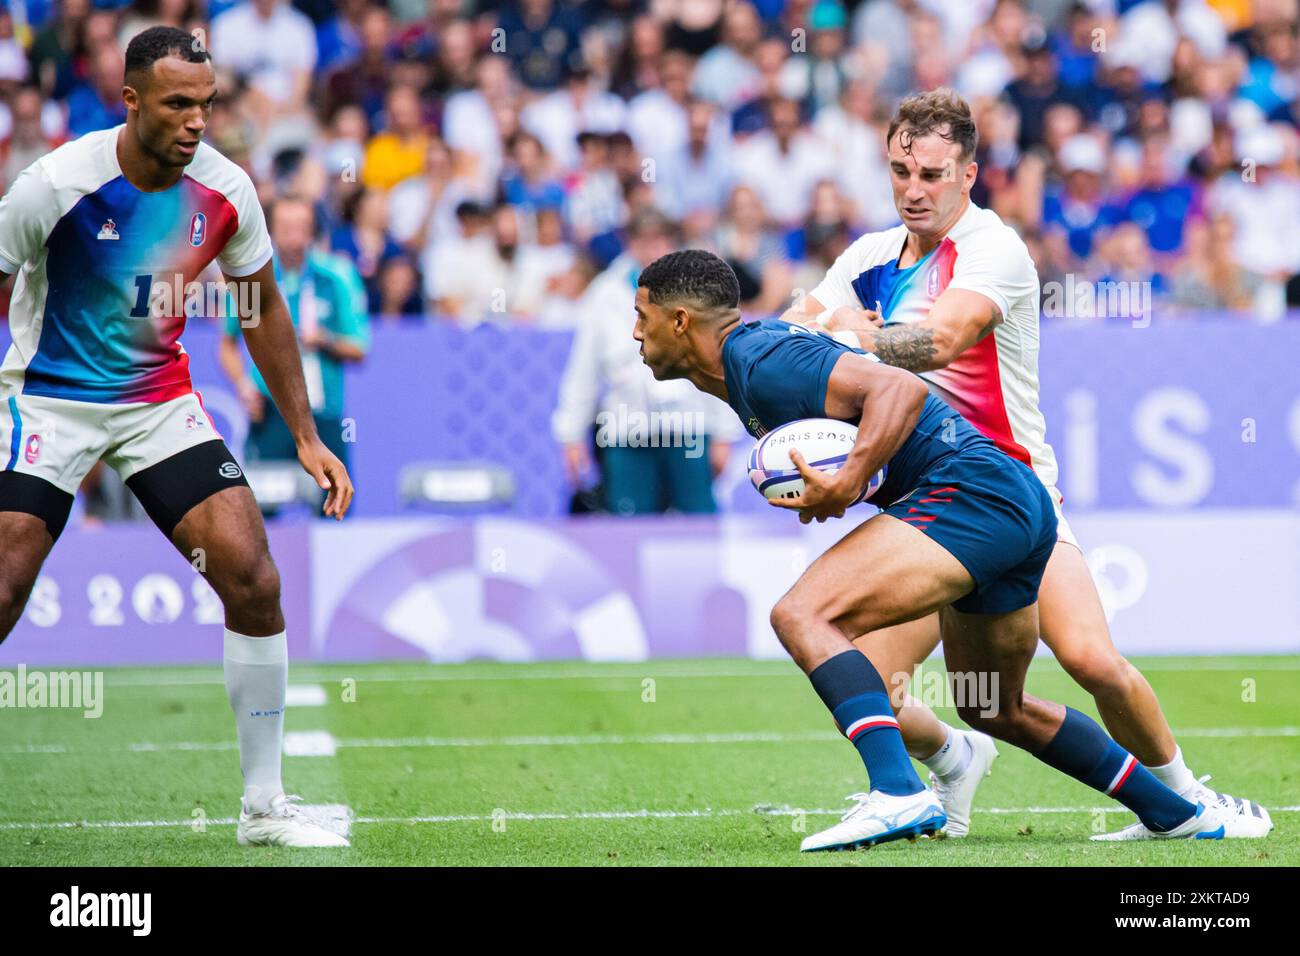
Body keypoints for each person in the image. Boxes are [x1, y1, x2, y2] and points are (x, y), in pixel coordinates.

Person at [633, 248, 1269, 851]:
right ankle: (1176, 814)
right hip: (1009, 500)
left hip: (969, 492)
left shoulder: (758, 358)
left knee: (802, 615)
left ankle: (897, 791)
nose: (636, 333)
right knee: (994, 705)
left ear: (681, 320)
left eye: (642, 316)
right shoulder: (756, 359)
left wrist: (850, 479)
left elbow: (900, 391)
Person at [780, 88, 1270, 839]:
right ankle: (953, 758)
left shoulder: (993, 250)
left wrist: (846, 332)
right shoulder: (868, 256)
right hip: (925, 506)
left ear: (968, 174)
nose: (914, 190)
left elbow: (938, 341)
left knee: (1089, 658)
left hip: (1011, 494)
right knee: (876, 681)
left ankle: (1191, 799)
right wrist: (825, 325)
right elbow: (793, 327)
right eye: (901, 172)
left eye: (932, 174)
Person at [0, 27, 353, 847]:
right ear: (130, 101)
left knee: (253, 577)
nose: (197, 120)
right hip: (47, 399)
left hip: (156, 400)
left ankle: (264, 808)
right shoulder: (52, 186)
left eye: (206, 103)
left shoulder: (226, 191)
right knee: (6, 584)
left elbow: (260, 309)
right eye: (177, 104)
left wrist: (305, 435)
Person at [219, 194, 369, 495]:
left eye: (301, 227)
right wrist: (243, 385)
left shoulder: (336, 275)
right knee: (264, 502)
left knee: (332, 499)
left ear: (313, 230)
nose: (294, 237)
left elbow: (359, 347)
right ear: (271, 230)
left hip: (322, 410)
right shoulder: (251, 277)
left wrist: (325, 340)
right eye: (286, 228)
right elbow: (227, 344)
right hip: (270, 410)